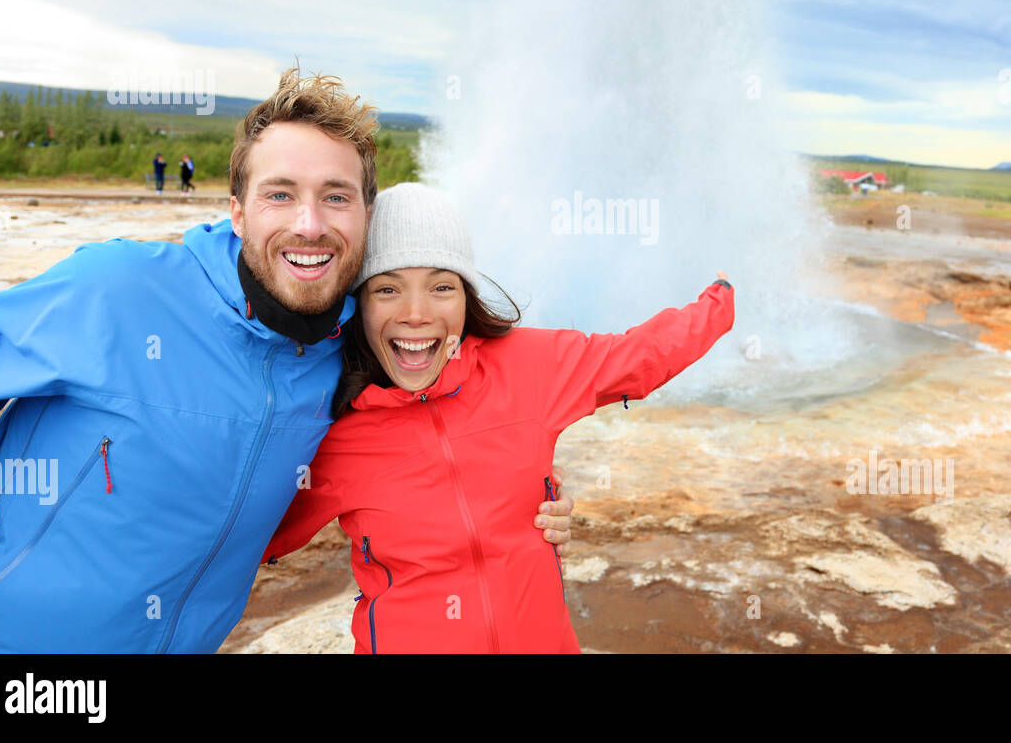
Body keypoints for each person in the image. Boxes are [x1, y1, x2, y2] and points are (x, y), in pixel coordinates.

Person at [0, 68, 575, 653]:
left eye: (336, 197)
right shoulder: (115, 291)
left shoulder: (352, 357)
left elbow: (425, 442)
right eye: (281, 194)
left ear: (365, 219)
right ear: (236, 209)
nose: (310, 224)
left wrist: (526, 506)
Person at [264, 183, 734, 653]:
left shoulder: (528, 367)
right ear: (357, 305)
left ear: (467, 297)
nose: (415, 313)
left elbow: (638, 357)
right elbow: (242, 534)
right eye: (387, 288)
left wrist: (718, 302)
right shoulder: (331, 433)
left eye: (441, 287)